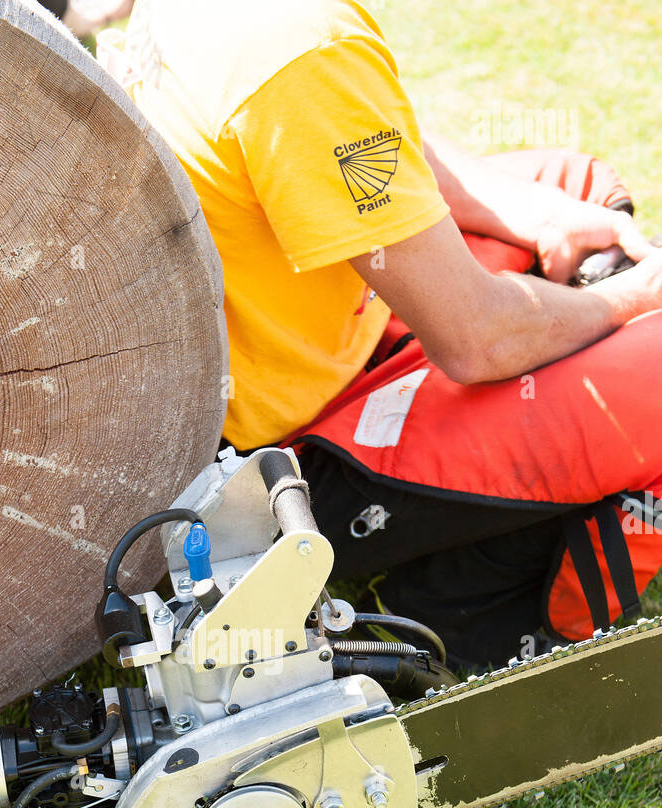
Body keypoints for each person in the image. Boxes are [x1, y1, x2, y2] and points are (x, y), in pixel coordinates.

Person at [102, 0, 662, 666]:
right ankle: (484, 612)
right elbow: (477, 338)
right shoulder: (302, 47)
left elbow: (374, 139)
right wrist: (628, 299)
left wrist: (538, 215)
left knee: (579, 185)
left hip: (277, 357)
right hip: (284, 466)